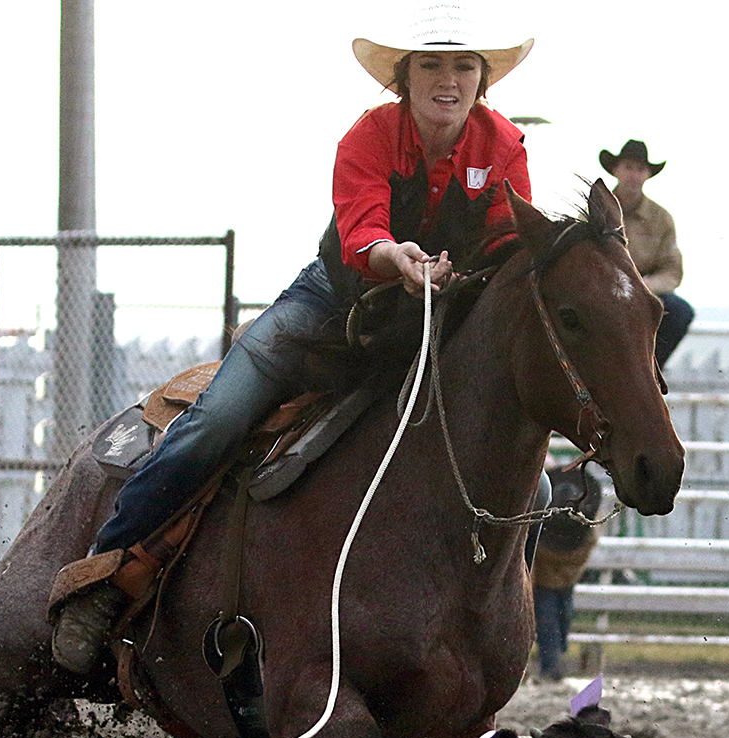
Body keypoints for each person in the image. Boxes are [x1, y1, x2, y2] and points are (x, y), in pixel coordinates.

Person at [50, 7, 537, 674]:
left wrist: (472, 277)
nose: (446, 79)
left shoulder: (504, 145)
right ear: (405, 77)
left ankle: (489, 627)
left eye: (462, 66)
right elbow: (362, 230)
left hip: (428, 324)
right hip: (331, 304)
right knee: (214, 421)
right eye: (431, 64)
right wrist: (397, 259)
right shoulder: (367, 138)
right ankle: (103, 579)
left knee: (526, 487)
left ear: (482, 80)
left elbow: (512, 241)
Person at [600, 139, 692, 368]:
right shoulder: (596, 210)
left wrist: (645, 285)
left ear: (648, 174)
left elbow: (672, 271)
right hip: (601, 287)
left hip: (644, 290)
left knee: (680, 312)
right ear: (616, 170)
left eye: (640, 169)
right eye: (628, 167)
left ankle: (648, 369)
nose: (633, 174)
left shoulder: (661, 218)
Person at [531, 465, 603, 681]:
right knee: (549, 622)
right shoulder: (581, 535)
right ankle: (550, 665)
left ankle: (553, 663)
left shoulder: (580, 535)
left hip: (559, 580)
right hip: (547, 582)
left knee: (559, 621)